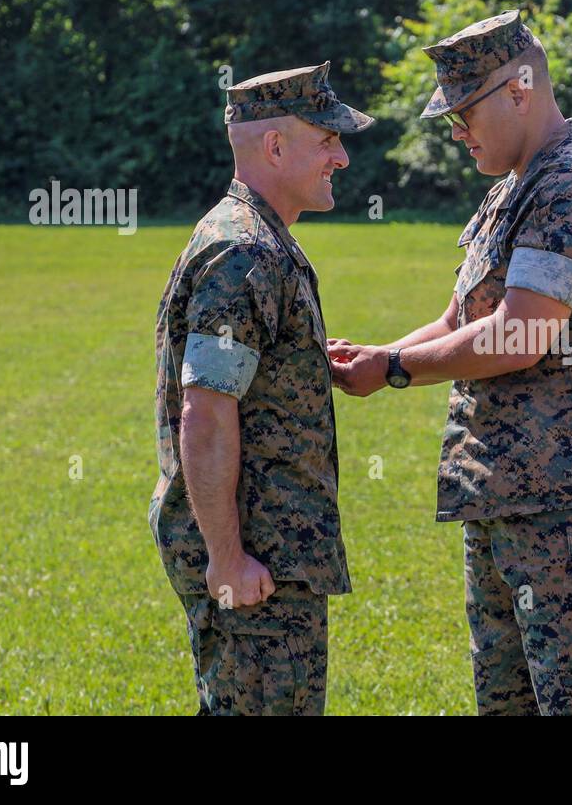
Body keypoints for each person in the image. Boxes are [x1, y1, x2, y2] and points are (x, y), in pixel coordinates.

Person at [331, 11, 572, 715]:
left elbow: (520, 333)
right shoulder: (513, 188)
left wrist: (393, 369)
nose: (456, 130)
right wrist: (380, 355)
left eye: (464, 112)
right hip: (510, 496)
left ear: (519, 90)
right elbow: (461, 321)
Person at [149, 62, 373, 715]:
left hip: (270, 550)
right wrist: (227, 558)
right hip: (258, 559)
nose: (342, 157)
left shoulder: (256, 238)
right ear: (275, 146)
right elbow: (206, 412)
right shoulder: (244, 250)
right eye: (327, 139)